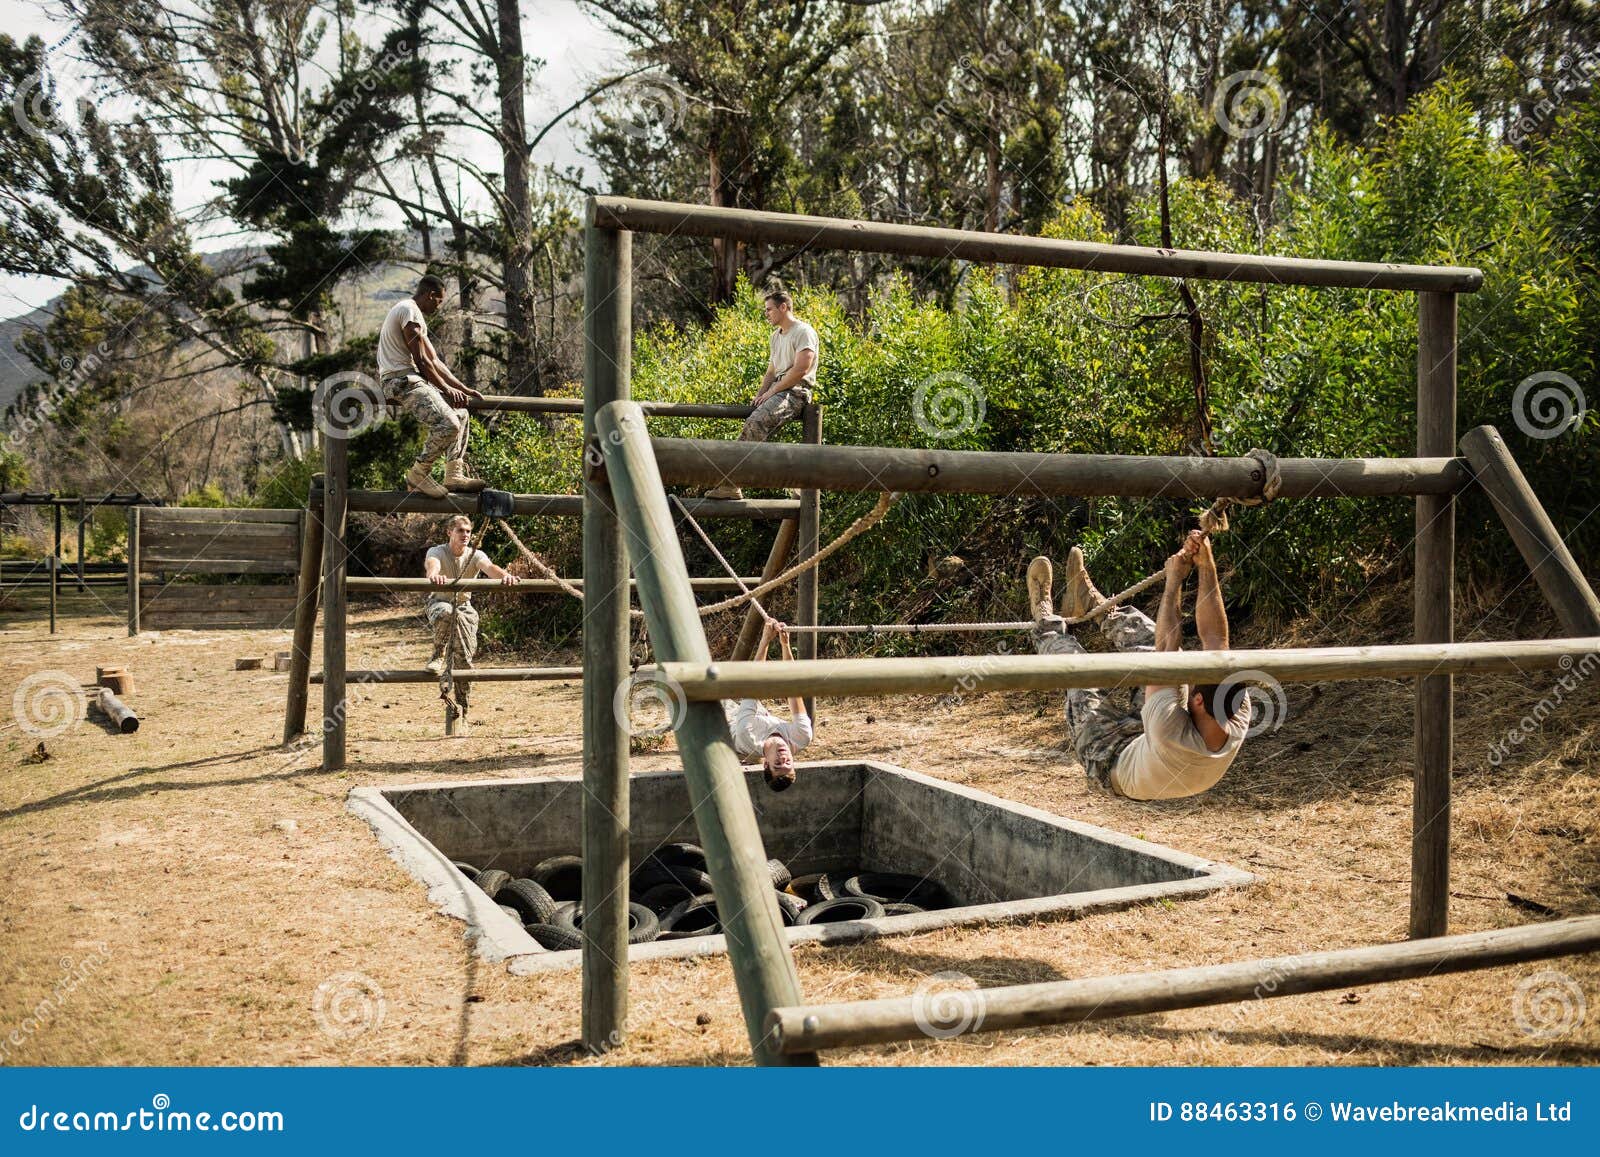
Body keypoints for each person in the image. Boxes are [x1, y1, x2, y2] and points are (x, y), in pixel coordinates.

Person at [1026, 530, 1252, 800]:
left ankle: (1044, 618)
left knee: (1078, 672)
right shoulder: (1235, 708)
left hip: (1111, 758)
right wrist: (1206, 561)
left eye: (1192, 689)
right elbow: (1217, 639)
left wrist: (1174, 580)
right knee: (1157, 650)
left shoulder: (1171, 733)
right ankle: (1092, 605)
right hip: (1150, 743)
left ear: (1200, 700)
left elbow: (1165, 649)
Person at [377, 274, 488, 498]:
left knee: (461, 414)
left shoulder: (415, 315)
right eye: (439, 301)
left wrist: (462, 388)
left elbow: (435, 361)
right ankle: (419, 473)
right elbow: (422, 361)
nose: (439, 306)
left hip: (412, 379)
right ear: (430, 295)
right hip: (400, 380)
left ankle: (453, 474)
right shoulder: (408, 311)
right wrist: (447, 390)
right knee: (449, 423)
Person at [704, 290, 818, 500]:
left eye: (769, 309)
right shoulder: (775, 336)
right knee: (753, 420)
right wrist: (760, 396)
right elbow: (771, 371)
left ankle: (731, 484)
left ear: (783, 307)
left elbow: (801, 369)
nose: (766, 314)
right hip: (778, 391)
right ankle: (734, 482)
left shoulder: (803, 331)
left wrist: (773, 391)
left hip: (796, 392)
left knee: (755, 423)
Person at [422, 516, 520, 689]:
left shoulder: (475, 554)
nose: (465, 534)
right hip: (439, 603)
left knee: (465, 660)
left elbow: (490, 568)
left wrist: (507, 577)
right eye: (460, 530)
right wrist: (434, 576)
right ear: (449, 532)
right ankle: (438, 652)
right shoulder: (436, 551)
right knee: (447, 612)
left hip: (465, 607)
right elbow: (432, 565)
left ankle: (461, 707)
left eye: (468, 531)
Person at [722, 620, 813, 791]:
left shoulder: (748, 735)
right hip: (755, 713)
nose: (783, 757)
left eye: (778, 763)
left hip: (721, 718)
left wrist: (765, 640)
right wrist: (785, 644)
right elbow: (793, 687)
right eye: (788, 762)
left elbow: (754, 683)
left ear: (766, 765)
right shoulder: (801, 736)